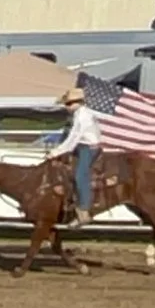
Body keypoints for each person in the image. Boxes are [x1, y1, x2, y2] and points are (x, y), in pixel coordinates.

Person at [50, 85, 103, 226]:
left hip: (88, 148)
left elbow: (74, 138)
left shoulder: (83, 116)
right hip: (82, 146)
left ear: (78, 102)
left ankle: (84, 211)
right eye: (66, 104)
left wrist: (56, 152)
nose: (67, 107)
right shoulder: (80, 115)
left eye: (68, 103)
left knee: (80, 175)